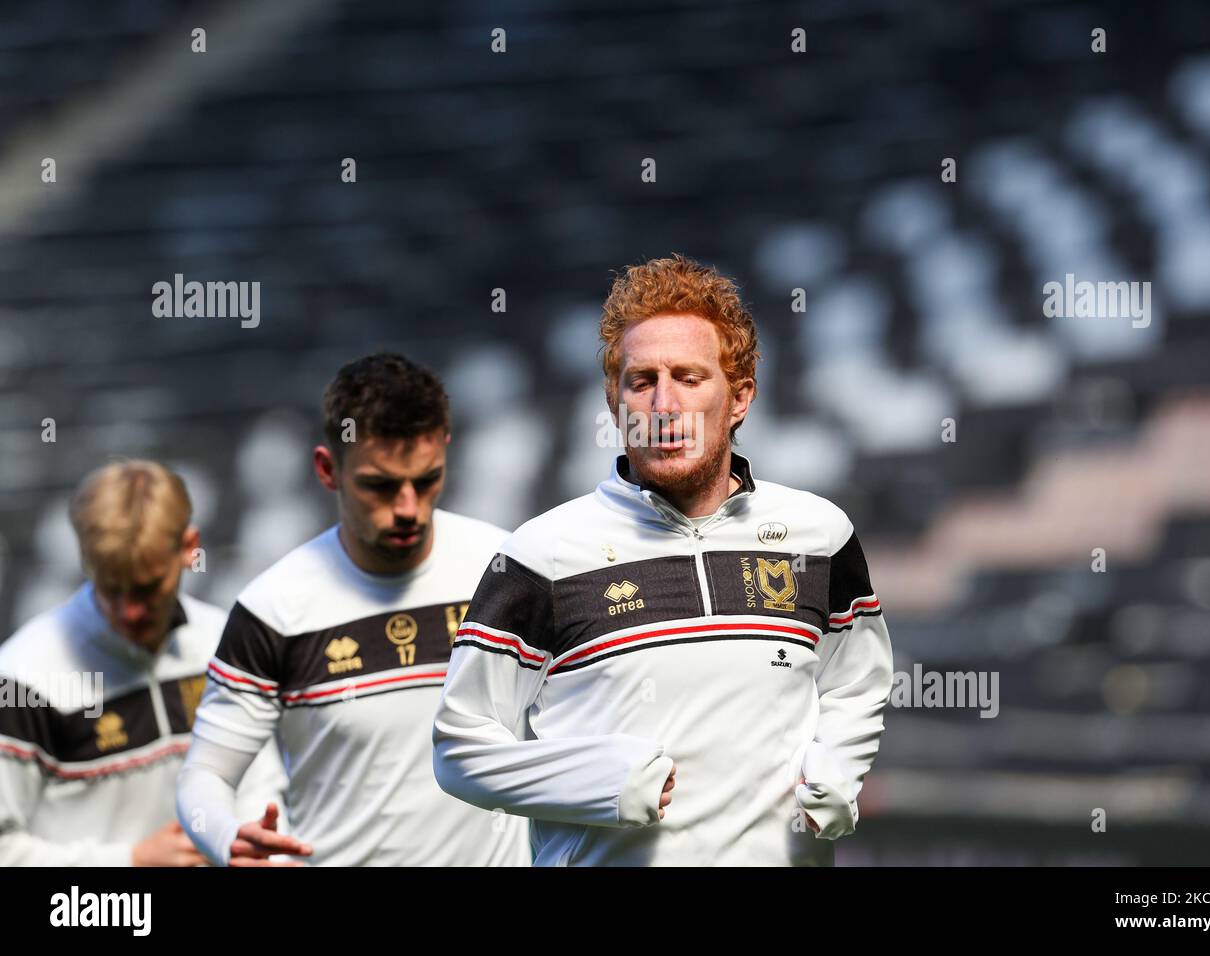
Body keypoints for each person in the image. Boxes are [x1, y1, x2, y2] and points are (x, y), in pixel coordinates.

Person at [434, 253, 894, 865]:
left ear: (740, 398)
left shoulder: (819, 536)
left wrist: (837, 769)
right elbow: (460, 750)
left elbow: (857, 679)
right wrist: (598, 781)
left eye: (689, 377)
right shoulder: (541, 556)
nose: (663, 404)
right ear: (614, 401)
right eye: (642, 380)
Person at [176, 353, 530, 866]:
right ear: (327, 469)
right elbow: (205, 774)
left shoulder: (507, 572)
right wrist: (226, 838)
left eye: (426, 479)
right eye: (380, 485)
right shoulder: (273, 611)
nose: (408, 506)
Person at [0, 460, 284, 866]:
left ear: (190, 548)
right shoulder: (20, 679)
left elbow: (257, 781)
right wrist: (130, 862)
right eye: (111, 588)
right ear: (85, 561)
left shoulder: (224, 643)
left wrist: (257, 844)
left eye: (147, 588)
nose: (129, 611)